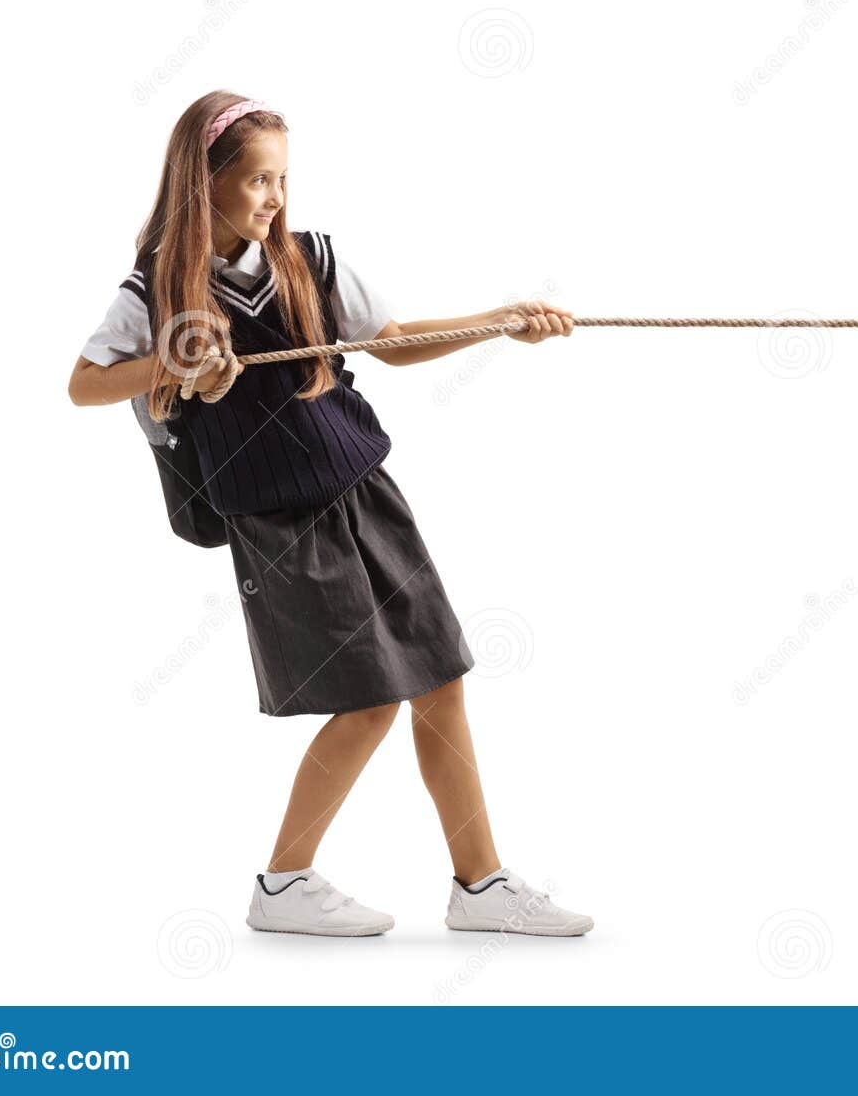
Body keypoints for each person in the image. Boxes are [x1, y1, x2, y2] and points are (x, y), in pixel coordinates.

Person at [66, 90, 592, 938]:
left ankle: (481, 884)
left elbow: (393, 338)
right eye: (257, 180)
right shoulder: (158, 286)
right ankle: (283, 886)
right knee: (370, 701)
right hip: (276, 520)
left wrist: (499, 324)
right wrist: (167, 360)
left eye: (283, 178)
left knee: (442, 679)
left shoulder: (309, 259)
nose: (274, 197)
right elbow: (85, 383)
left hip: (363, 491)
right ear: (205, 184)